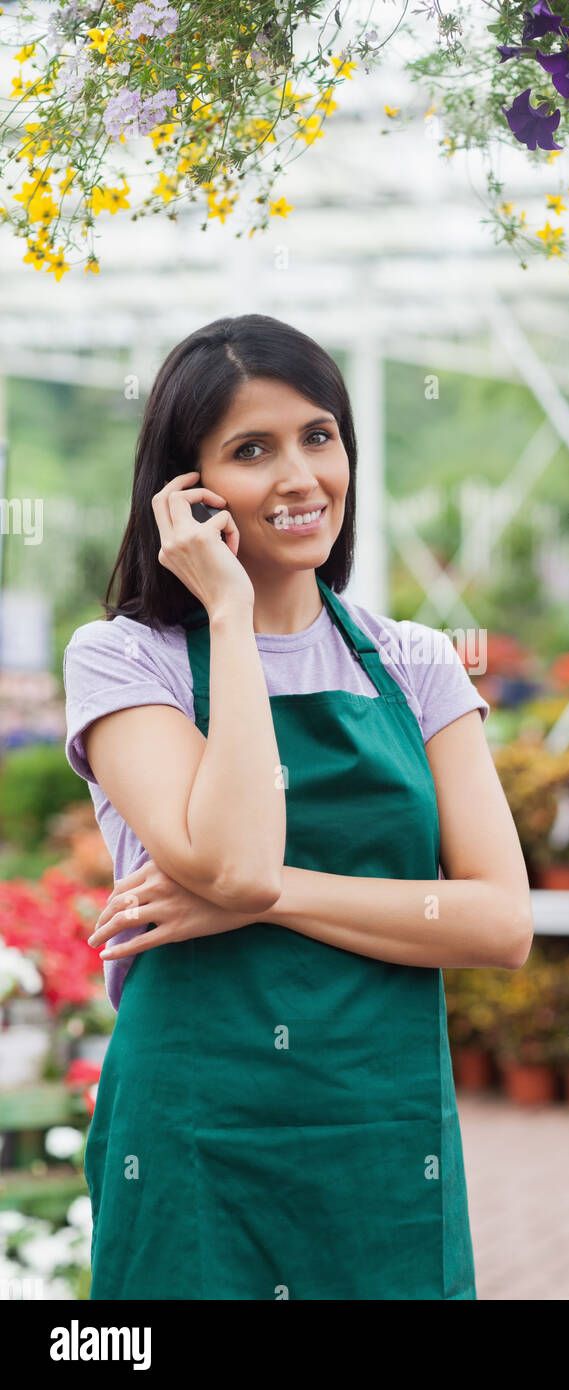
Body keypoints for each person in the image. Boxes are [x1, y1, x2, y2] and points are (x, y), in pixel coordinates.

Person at [63, 312, 533, 1301]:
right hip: (192, 1139)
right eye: (250, 450)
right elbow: (231, 860)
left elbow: (499, 921)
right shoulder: (124, 659)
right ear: (184, 491)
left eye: (318, 436)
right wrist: (230, 613)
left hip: (384, 1144)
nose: (298, 477)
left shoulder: (414, 662)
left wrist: (271, 899)